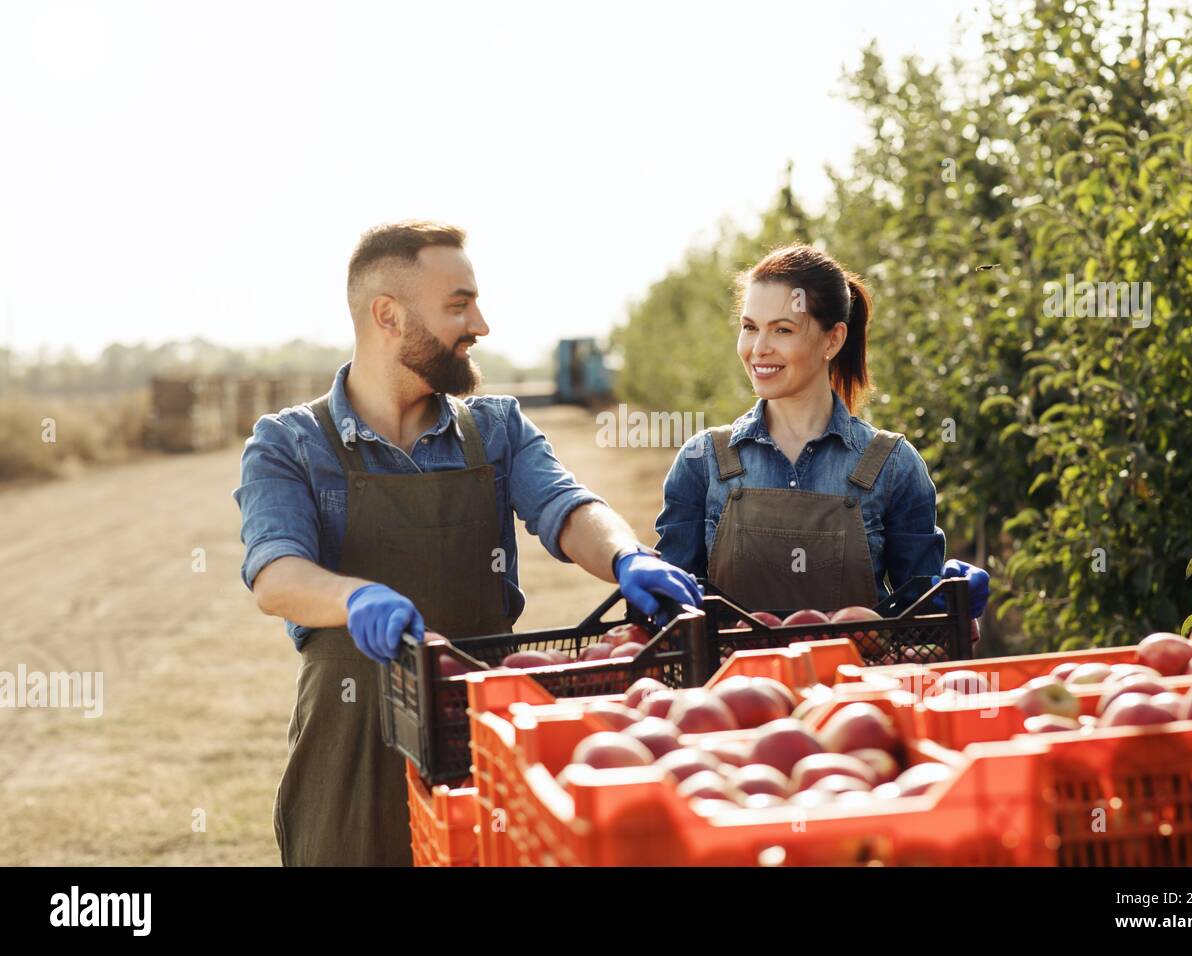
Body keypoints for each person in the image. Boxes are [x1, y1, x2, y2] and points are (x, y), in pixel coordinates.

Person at [233, 220, 701, 866]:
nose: (480, 324)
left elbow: (567, 508)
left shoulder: (495, 428)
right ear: (388, 315)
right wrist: (356, 596)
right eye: (459, 305)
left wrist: (626, 555)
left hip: (477, 739)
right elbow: (276, 574)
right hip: (353, 746)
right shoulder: (290, 443)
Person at [654, 243, 988, 625]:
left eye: (782, 330)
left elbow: (921, 623)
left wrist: (950, 597)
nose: (758, 349)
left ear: (833, 339)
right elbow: (673, 617)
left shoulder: (891, 466)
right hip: (734, 685)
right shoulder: (704, 462)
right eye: (750, 328)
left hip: (856, 684)